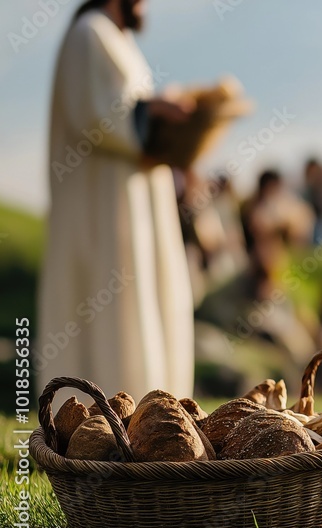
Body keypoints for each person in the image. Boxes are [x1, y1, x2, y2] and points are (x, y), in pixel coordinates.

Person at [38, 0, 195, 401]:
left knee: (138, 307)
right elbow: (93, 114)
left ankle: (151, 424)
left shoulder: (116, 39)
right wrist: (152, 111)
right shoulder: (88, 32)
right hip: (102, 212)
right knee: (112, 314)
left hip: (133, 204)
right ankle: (98, 427)